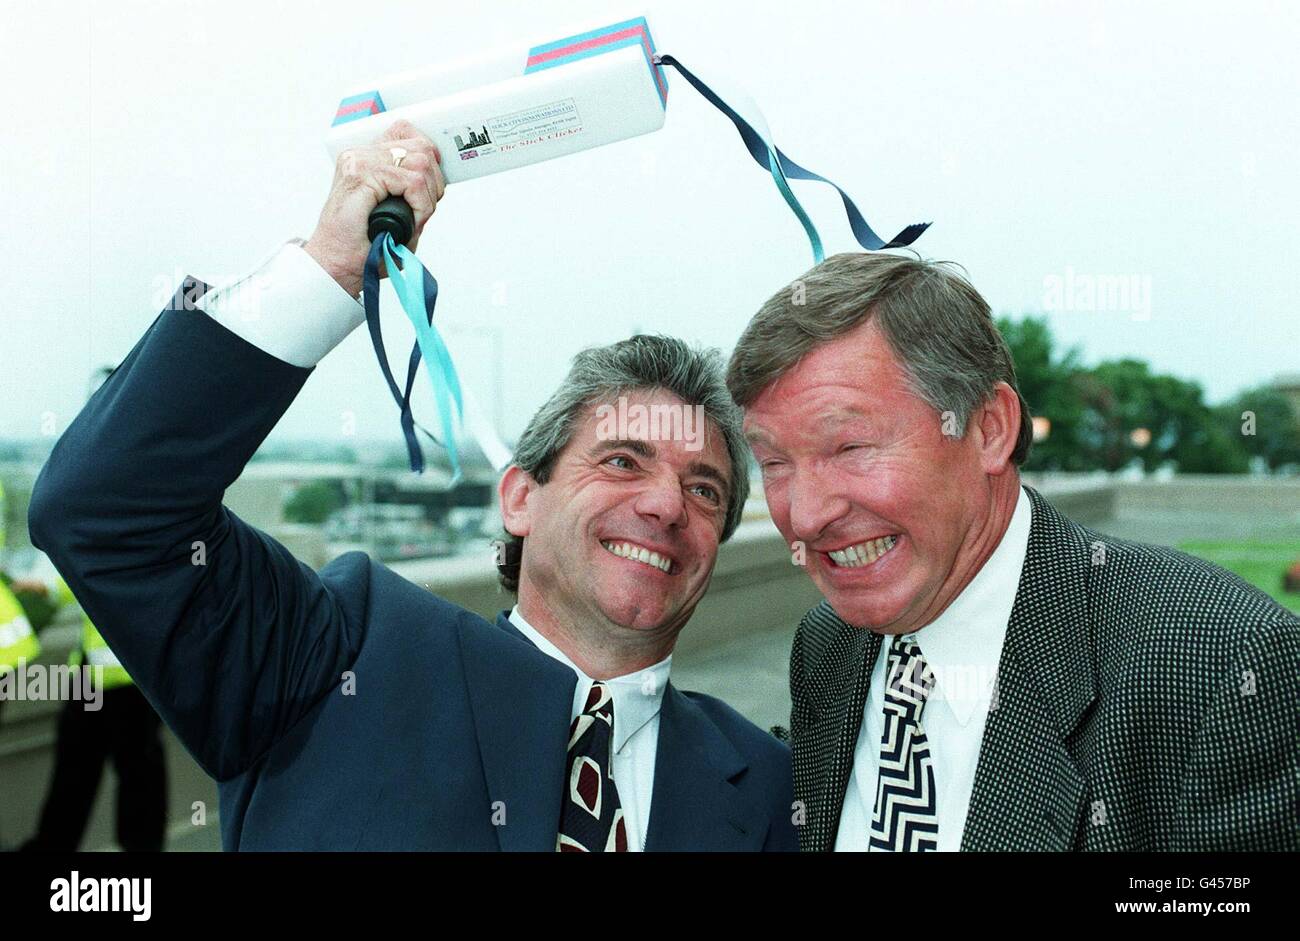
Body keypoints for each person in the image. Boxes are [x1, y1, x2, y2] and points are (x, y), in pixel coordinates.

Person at [28, 120, 794, 852]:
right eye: (623, 461)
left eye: (704, 489)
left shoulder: (763, 787)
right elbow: (104, 508)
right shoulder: (334, 657)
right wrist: (329, 266)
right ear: (520, 496)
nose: (665, 505)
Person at [725, 251, 1299, 851]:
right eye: (774, 463)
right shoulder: (826, 648)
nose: (807, 515)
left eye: (849, 447)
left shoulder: (1221, 666)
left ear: (989, 428)